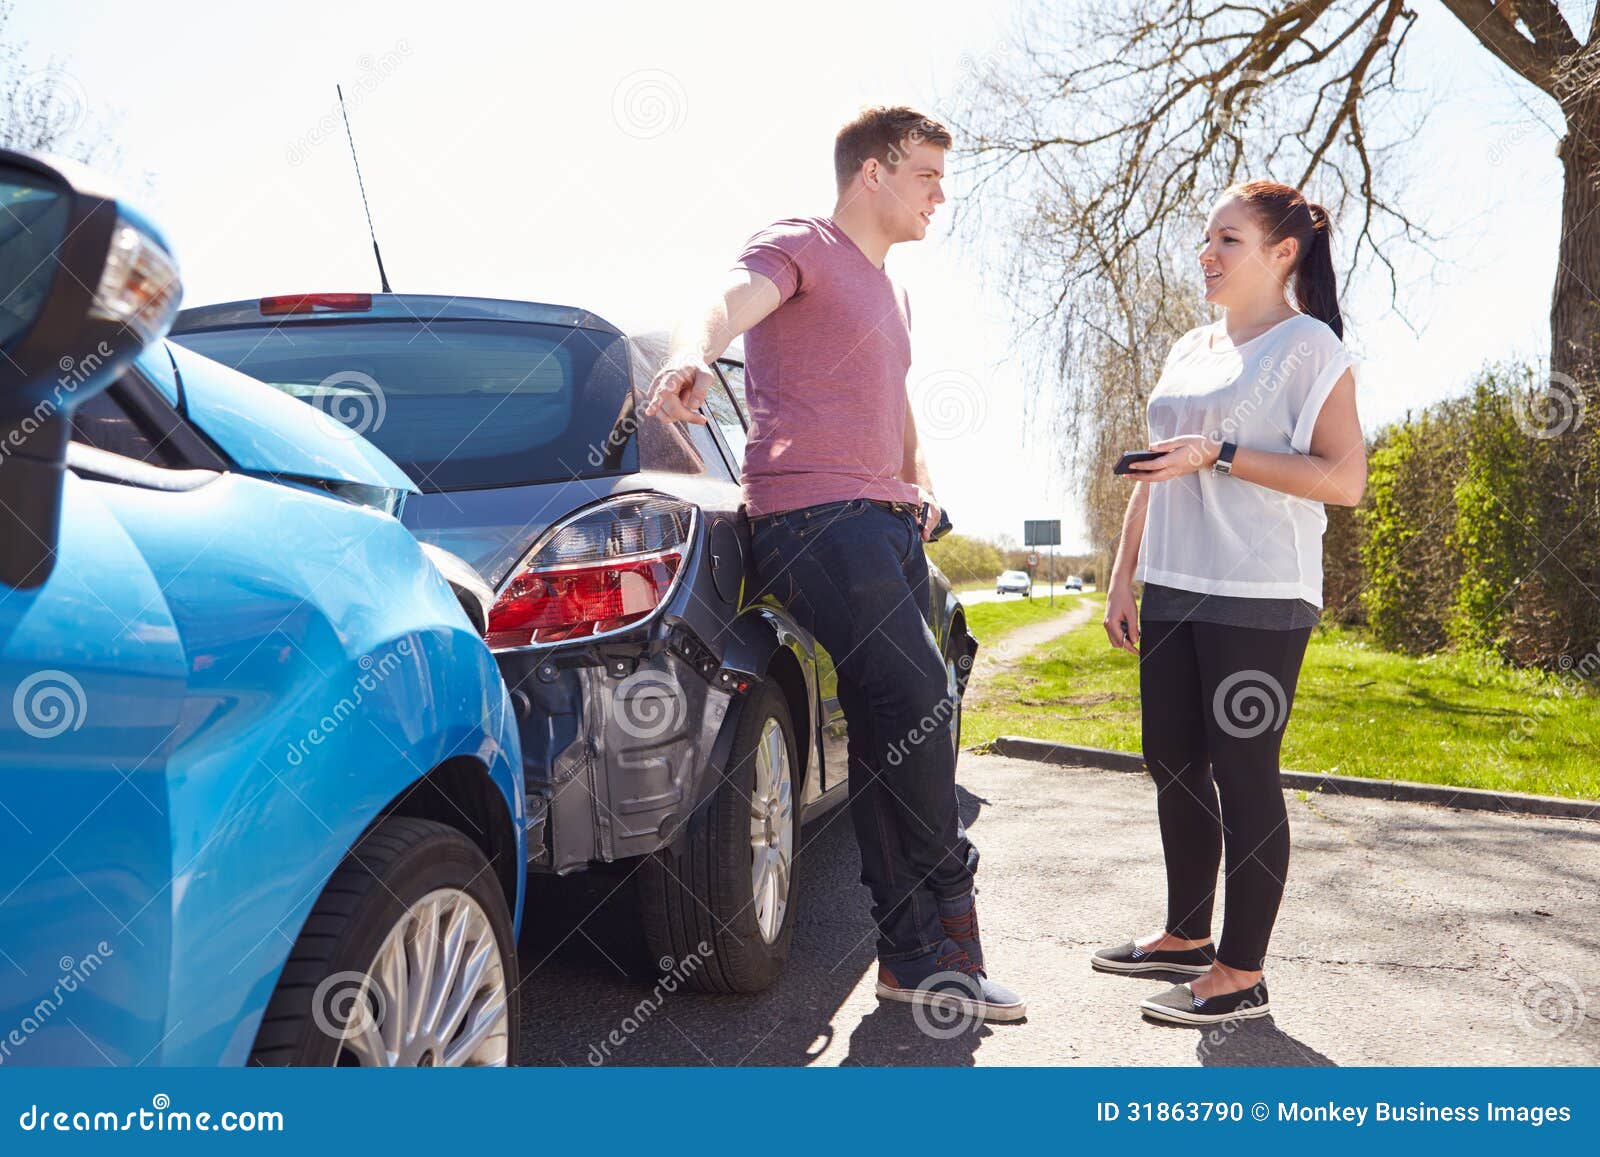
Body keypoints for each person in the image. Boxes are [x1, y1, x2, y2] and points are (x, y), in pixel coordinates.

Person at [644, 106, 1024, 1023]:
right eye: (929, 173)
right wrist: (696, 354)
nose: (942, 193)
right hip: (814, 517)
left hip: (886, 522)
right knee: (924, 701)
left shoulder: (892, 293)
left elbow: (896, 409)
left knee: (895, 722)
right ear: (874, 173)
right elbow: (726, 298)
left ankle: (911, 957)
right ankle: (954, 916)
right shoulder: (798, 242)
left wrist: (920, 485)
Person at [1092, 180, 1367, 1026]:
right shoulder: (1190, 347)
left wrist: (1222, 452)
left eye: (1229, 241)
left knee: (1244, 769)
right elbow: (1159, 465)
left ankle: (1241, 973)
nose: (1207, 255)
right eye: (1206, 239)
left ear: (1284, 253)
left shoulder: (1310, 346)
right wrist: (1123, 571)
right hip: (1175, 580)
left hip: (1261, 590)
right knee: (1171, 759)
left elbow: (1343, 477)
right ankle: (1185, 934)